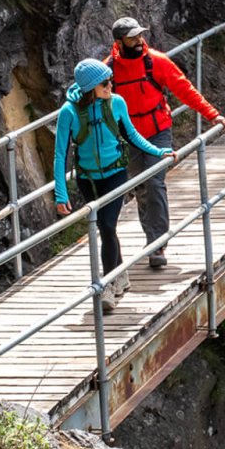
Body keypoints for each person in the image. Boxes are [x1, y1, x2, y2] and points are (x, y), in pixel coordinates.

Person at [107, 16, 225, 268]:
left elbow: (184, 89)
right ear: (119, 42)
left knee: (154, 182)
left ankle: (157, 244)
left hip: (157, 131)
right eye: (132, 37)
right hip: (128, 137)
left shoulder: (156, 62)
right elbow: (95, 102)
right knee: (140, 188)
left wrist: (212, 114)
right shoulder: (109, 71)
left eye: (140, 35)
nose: (139, 40)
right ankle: (152, 239)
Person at [53, 58, 172, 311]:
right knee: (106, 229)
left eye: (111, 81)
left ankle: (106, 286)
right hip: (87, 180)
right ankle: (121, 273)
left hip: (116, 173)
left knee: (107, 225)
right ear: (90, 88)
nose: (111, 87)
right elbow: (60, 154)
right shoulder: (69, 113)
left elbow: (131, 135)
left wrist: (158, 151)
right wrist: (61, 193)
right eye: (105, 83)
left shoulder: (116, 103)